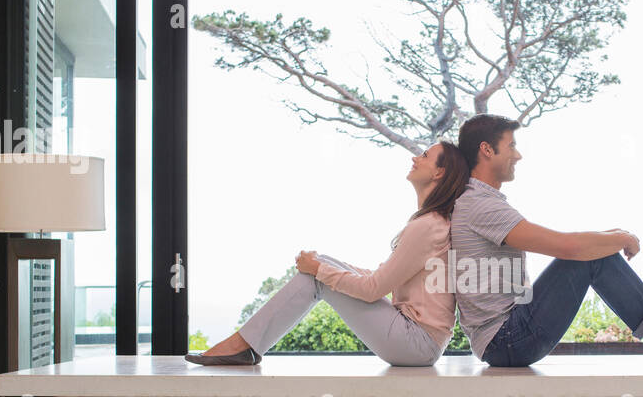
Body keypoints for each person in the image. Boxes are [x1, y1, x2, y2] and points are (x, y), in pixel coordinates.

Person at [450, 114, 643, 367]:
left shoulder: (479, 201)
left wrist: (613, 237)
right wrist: (620, 238)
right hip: (507, 341)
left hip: (507, 338)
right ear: (486, 150)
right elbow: (567, 247)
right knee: (586, 259)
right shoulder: (479, 204)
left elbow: (571, 245)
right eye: (511, 145)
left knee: (592, 254)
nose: (519, 155)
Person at [186, 141, 467, 367]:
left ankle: (242, 345)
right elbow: (380, 277)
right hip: (418, 341)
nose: (415, 158)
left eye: (425, 155)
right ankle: (245, 345)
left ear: (438, 172)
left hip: (416, 343)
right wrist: (321, 264)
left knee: (317, 278)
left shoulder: (427, 226)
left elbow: (373, 290)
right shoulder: (429, 223)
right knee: (320, 268)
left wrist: (318, 271)